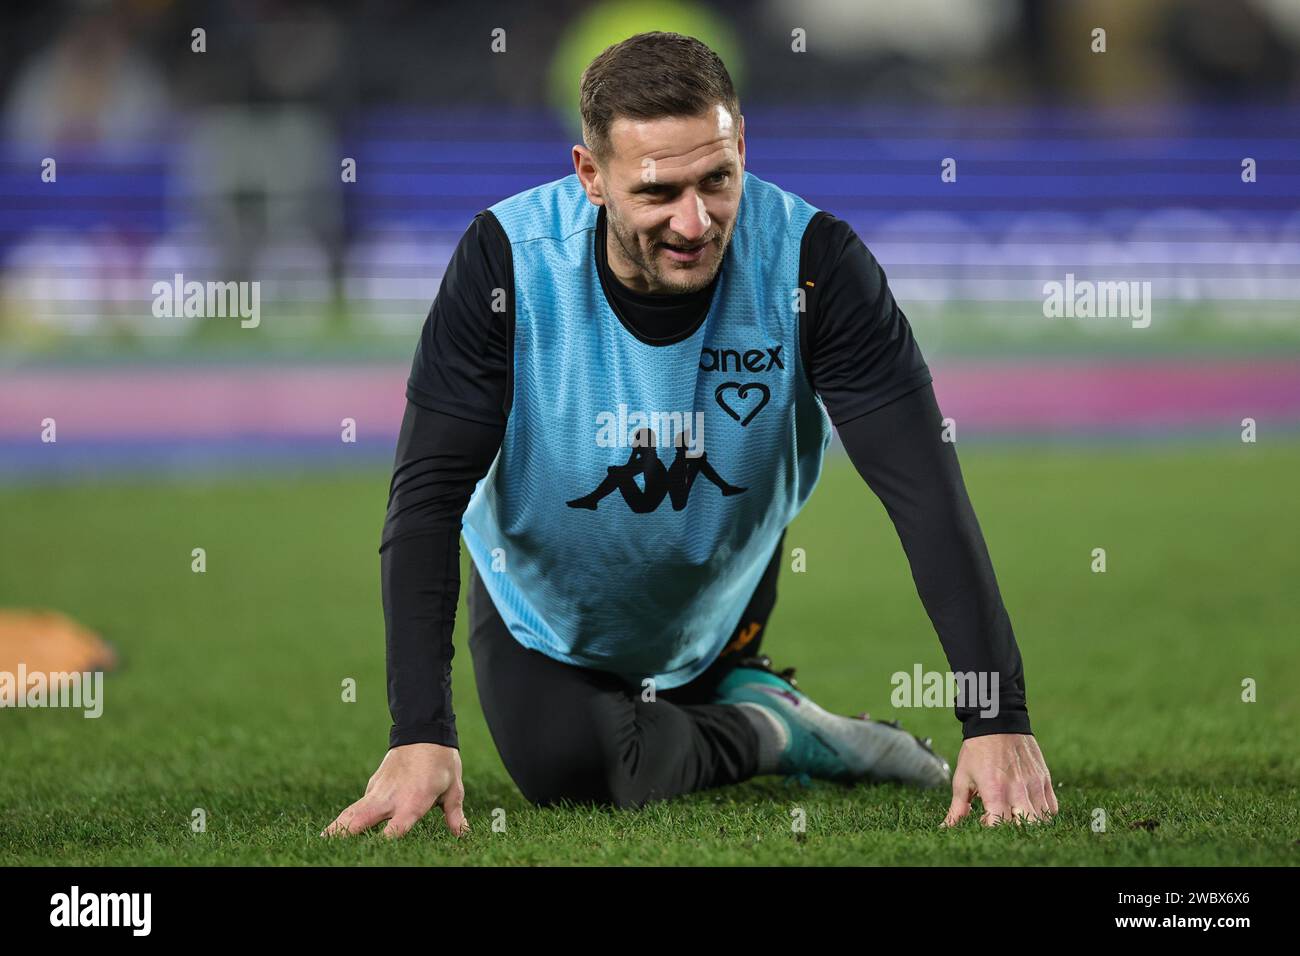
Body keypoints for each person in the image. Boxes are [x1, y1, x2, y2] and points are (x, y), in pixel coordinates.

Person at [325, 32, 1056, 840]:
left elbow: (924, 489)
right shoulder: (504, 261)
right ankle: (774, 727)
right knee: (571, 774)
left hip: (723, 593)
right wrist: (419, 733)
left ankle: (735, 682)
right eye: (658, 191)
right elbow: (427, 497)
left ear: (743, 148)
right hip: (541, 605)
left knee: (626, 751)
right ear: (590, 176)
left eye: (716, 179)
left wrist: (996, 716)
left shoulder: (816, 264)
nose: (694, 221)